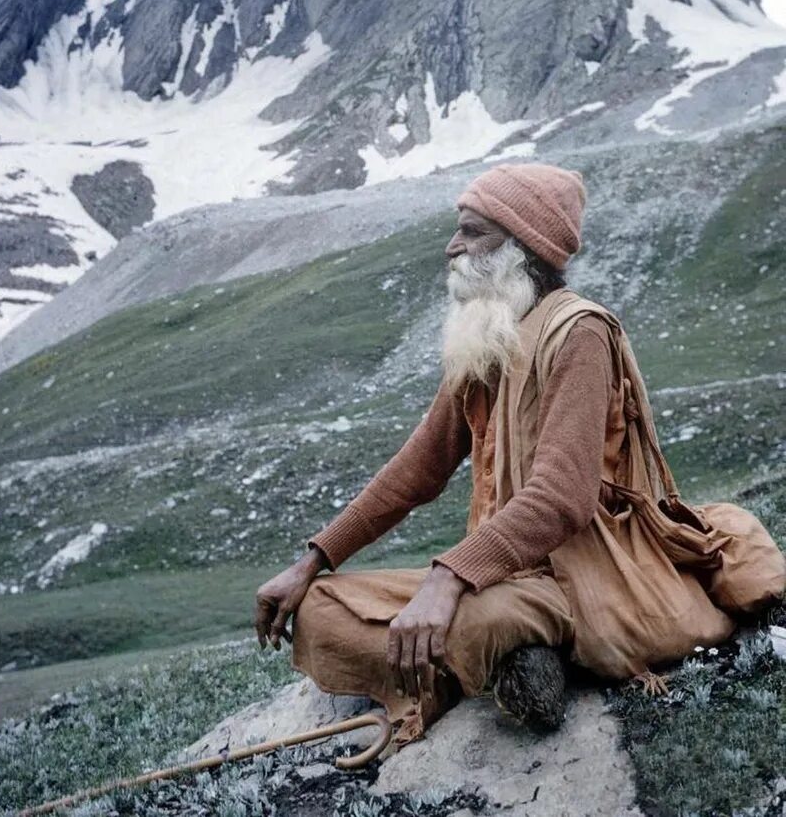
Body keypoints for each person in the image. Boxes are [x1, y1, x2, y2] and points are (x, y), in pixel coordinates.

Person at [254, 162, 785, 749]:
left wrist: (448, 577)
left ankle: (520, 657)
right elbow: (419, 468)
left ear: (523, 245)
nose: (453, 247)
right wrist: (314, 560)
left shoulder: (578, 334)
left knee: (463, 623)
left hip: (580, 573)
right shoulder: (491, 333)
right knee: (322, 608)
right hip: (501, 575)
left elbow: (563, 499)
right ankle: (512, 657)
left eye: (473, 232)